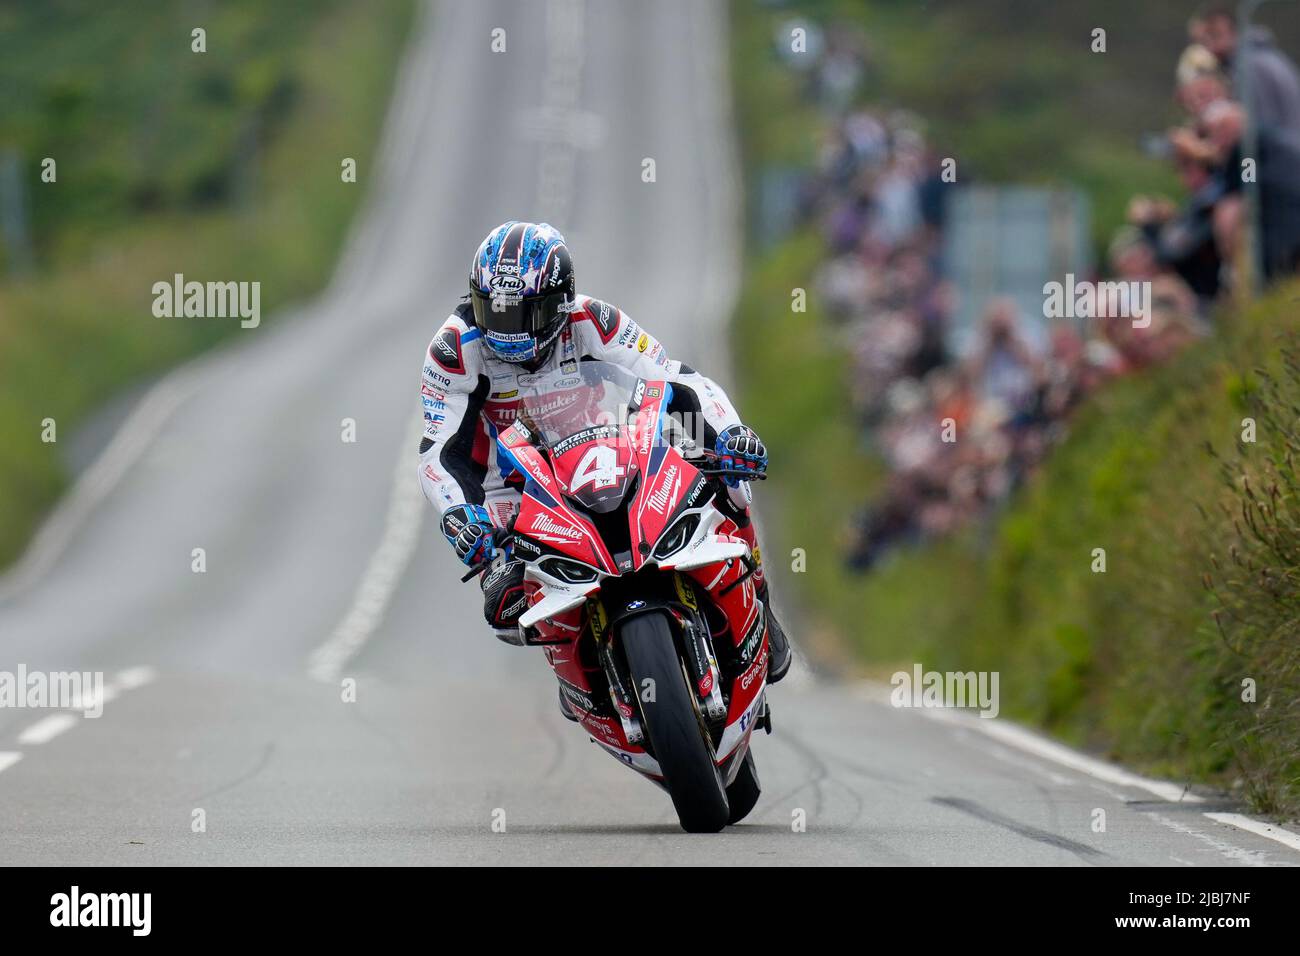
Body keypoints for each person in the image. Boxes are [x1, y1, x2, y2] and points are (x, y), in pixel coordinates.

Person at [416, 221, 792, 708]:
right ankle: (578, 668)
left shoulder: (594, 319)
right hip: (510, 489)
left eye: (522, 312)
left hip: (603, 448)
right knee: (503, 600)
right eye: (495, 310)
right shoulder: (452, 351)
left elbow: (673, 377)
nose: (506, 328)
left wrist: (727, 432)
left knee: (724, 474)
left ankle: (758, 593)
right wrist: (457, 514)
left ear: (558, 300)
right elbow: (437, 450)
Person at [1196, 4, 1300, 135]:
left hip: (1284, 152)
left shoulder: (1253, 66)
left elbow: (1259, 132)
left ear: (1235, 33)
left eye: (1216, 36)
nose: (1211, 47)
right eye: (1206, 39)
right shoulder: (1260, 58)